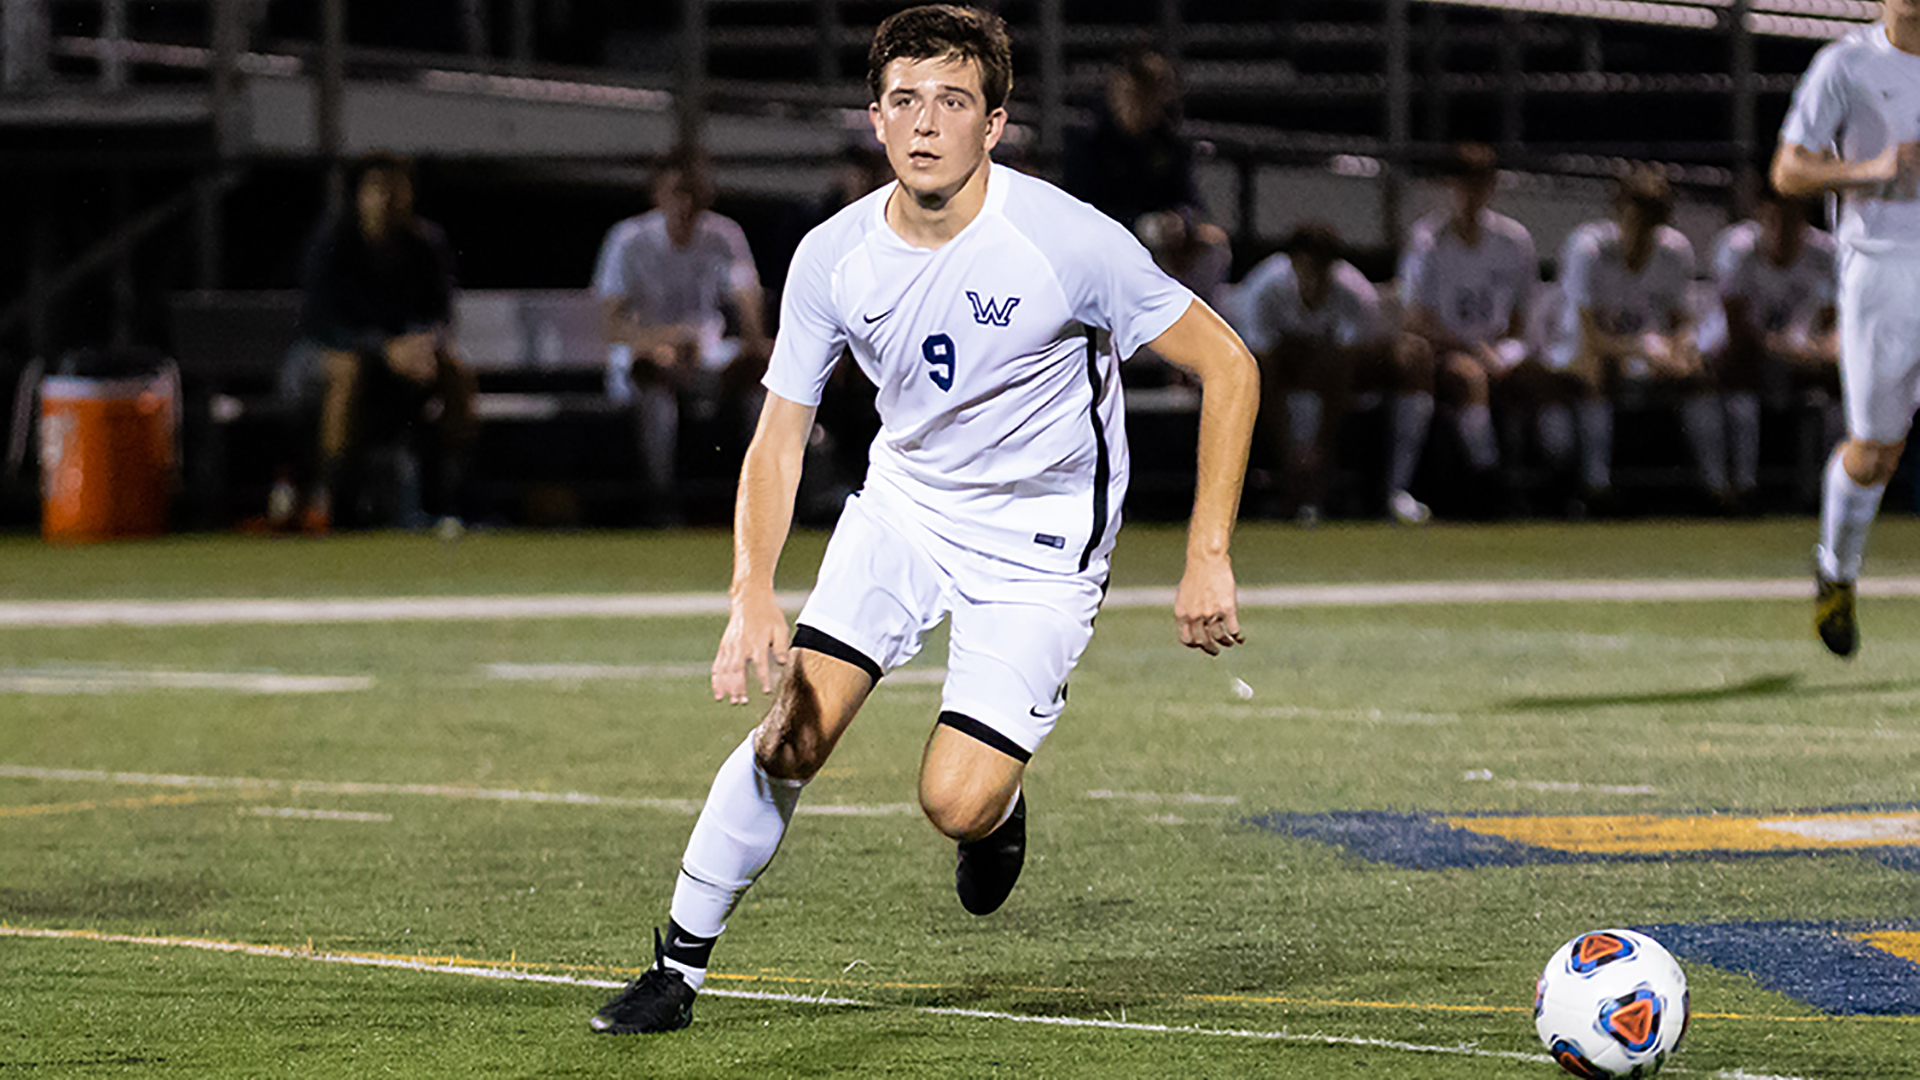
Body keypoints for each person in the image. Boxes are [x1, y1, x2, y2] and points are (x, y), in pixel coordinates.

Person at [588, 4, 1258, 1035]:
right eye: (906, 98)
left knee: (952, 799)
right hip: (905, 507)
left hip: (1040, 545)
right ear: (875, 118)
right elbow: (776, 439)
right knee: (792, 734)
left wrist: (1206, 553)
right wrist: (749, 594)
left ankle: (993, 812)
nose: (927, 122)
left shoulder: (1069, 242)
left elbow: (1229, 364)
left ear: (995, 125)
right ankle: (676, 969)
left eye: (954, 100)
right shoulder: (832, 257)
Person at [1772, 0, 1920, 656]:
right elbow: (1788, 170)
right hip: (1882, 274)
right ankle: (1837, 569)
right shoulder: (1846, 63)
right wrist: (1871, 169)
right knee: (1874, 452)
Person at [296, 151, 475, 532]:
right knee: (348, 370)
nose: (387, 198)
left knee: (456, 373)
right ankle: (330, 499)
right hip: (324, 361)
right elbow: (321, 324)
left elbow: (440, 316)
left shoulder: (426, 245)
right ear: (360, 194)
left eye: (396, 187)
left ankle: (451, 498)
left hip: (400, 362)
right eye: (377, 187)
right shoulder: (333, 243)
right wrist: (382, 349)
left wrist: (424, 346)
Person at [592, 147, 771, 523]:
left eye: (694, 192)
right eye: (677, 191)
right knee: (653, 383)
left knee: (765, 378)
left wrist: (756, 345)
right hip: (648, 356)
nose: (686, 203)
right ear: (658, 194)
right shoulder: (628, 239)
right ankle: (661, 500)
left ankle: (764, 498)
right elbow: (613, 325)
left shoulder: (724, 234)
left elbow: (746, 295)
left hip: (706, 355)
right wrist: (665, 340)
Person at [1232, 223, 1431, 526]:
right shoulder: (1264, 290)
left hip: (1341, 375)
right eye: (1307, 268)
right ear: (1293, 263)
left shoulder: (1354, 294)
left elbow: (1343, 372)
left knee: (1414, 358)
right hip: (1267, 372)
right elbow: (1265, 372)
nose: (1313, 280)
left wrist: (1319, 450)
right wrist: (1290, 454)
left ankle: (1395, 491)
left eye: (1321, 270)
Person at [1547, 169, 1716, 511]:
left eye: (1651, 220)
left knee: (1698, 373)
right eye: (1635, 216)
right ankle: (1595, 489)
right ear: (1618, 209)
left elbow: (1682, 321)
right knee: (1598, 370)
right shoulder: (1588, 248)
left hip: (1644, 355)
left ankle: (1717, 489)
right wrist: (1644, 348)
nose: (1640, 230)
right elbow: (1589, 337)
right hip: (1576, 354)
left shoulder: (1674, 250)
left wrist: (1681, 349)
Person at [1398, 144, 1538, 489]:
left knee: (1545, 376)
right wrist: (1472, 348)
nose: (1470, 193)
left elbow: (1522, 315)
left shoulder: (1514, 241)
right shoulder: (1428, 239)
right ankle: (1487, 477)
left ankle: (1561, 478)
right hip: (1447, 350)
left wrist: (1506, 352)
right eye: (1462, 183)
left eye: (1479, 183)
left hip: (1501, 348)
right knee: (1470, 376)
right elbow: (1416, 317)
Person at [1701, 188, 1841, 509]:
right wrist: (1780, 347)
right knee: (1738, 375)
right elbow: (1736, 330)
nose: (1783, 227)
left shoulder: (1825, 252)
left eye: (1792, 217)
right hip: (1738, 349)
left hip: (1798, 353)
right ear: (1761, 216)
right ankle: (1738, 490)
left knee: (1839, 382)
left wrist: (1821, 350)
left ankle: (1827, 489)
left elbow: (1829, 321)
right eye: (1775, 217)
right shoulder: (1736, 249)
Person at [1062, 45, 1200, 230]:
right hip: (1106, 238)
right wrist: (1139, 224)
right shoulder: (1090, 138)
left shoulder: (1165, 140)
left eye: (1157, 91)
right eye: (1141, 90)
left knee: (1211, 240)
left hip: (1162, 242)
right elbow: (1077, 208)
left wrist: (1181, 220)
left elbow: (1188, 199)